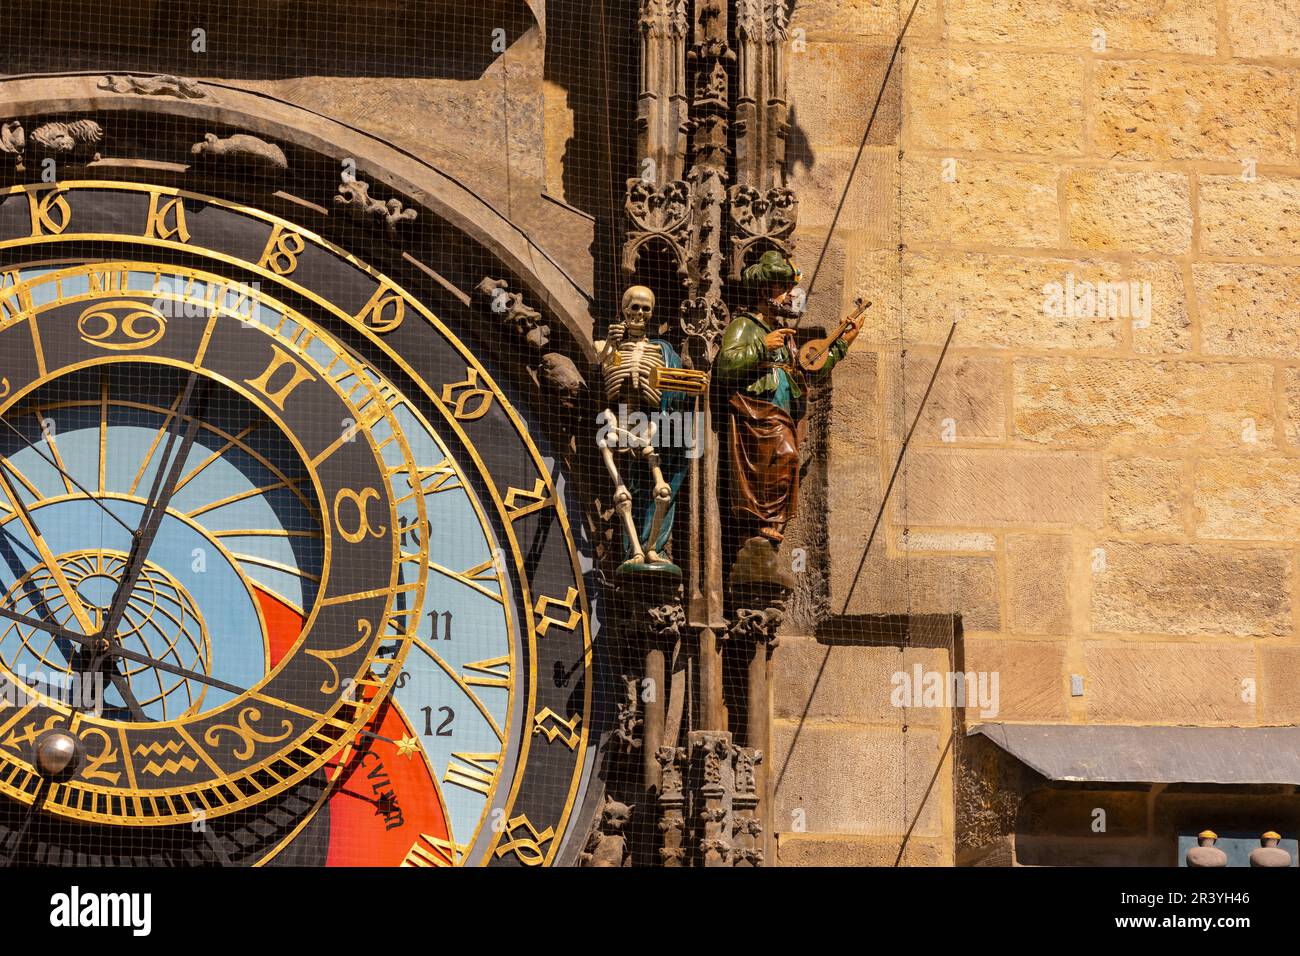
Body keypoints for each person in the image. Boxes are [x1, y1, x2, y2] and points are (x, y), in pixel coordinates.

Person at [717, 250, 862, 585]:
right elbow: (725, 366)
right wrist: (761, 347)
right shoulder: (745, 326)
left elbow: (808, 368)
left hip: (782, 415)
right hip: (757, 416)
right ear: (765, 292)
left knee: (787, 463)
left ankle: (770, 531)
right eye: (782, 288)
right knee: (783, 458)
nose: (789, 296)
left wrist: (841, 345)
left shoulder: (784, 336)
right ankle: (759, 532)